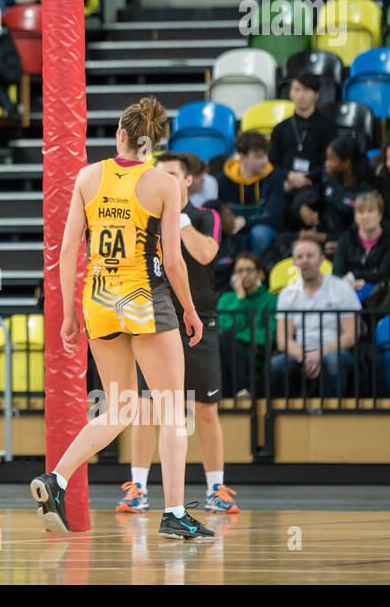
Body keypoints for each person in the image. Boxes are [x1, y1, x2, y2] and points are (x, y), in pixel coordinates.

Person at [30, 97, 211, 540]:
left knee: (121, 408)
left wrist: (70, 313)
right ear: (155, 143)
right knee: (170, 410)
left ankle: (57, 478)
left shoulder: (88, 176)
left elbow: (67, 249)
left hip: (98, 299)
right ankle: (172, 512)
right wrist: (189, 308)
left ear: (121, 135)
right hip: (144, 299)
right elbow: (173, 261)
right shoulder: (163, 184)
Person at [119, 152, 238, 515]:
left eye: (171, 174)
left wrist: (179, 221)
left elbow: (205, 255)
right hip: (155, 321)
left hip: (200, 320)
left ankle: (216, 489)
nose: (164, 180)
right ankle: (137, 488)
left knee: (205, 409)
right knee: (146, 406)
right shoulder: (146, 218)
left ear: (187, 181)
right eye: (160, 174)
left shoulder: (206, 217)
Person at [270, 234, 360, 398]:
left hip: (335, 351)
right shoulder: (287, 293)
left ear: (322, 259)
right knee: (277, 365)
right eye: (299, 257)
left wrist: (319, 355)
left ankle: (331, 415)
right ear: (294, 262)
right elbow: (283, 340)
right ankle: (288, 416)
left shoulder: (341, 288)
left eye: (310, 256)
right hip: (300, 353)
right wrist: (305, 357)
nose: (305, 260)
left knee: (333, 360)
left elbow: (351, 335)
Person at [270, 72, 337, 231]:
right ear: (291, 93)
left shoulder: (327, 127)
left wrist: (305, 178)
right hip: (287, 184)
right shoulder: (280, 129)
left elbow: (330, 163)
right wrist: (289, 176)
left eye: (306, 90)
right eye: (297, 89)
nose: (301, 95)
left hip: (316, 185)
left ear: (316, 94)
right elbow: (272, 163)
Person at [214, 130, 284, 257]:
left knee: (260, 233)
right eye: (259, 157)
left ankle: (257, 273)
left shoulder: (275, 177)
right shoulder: (221, 181)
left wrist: (245, 221)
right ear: (242, 157)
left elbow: (276, 218)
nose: (265, 161)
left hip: (263, 231)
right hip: (233, 230)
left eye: (266, 155)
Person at [216, 251, 276, 397]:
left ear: (260, 274)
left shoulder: (271, 300)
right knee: (224, 338)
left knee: (227, 337)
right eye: (239, 270)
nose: (244, 274)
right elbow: (223, 330)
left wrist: (238, 337)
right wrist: (240, 299)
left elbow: (269, 334)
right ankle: (240, 391)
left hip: (255, 355)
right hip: (227, 356)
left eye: (249, 270)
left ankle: (237, 392)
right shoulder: (226, 299)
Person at [332, 191, 390, 303]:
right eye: (360, 212)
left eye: (370, 211)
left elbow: (384, 274)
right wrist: (351, 283)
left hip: (382, 293)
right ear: (355, 216)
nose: (365, 216)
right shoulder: (346, 239)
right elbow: (337, 273)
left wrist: (353, 275)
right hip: (349, 290)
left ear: (380, 214)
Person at [320, 136, 377, 251]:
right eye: (326, 159)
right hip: (325, 236)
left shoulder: (366, 191)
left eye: (331, 159)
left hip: (352, 245)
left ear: (346, 163)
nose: (327, 164)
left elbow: (361, 231)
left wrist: (325, 238)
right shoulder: (328, 178)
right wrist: (302, 206)